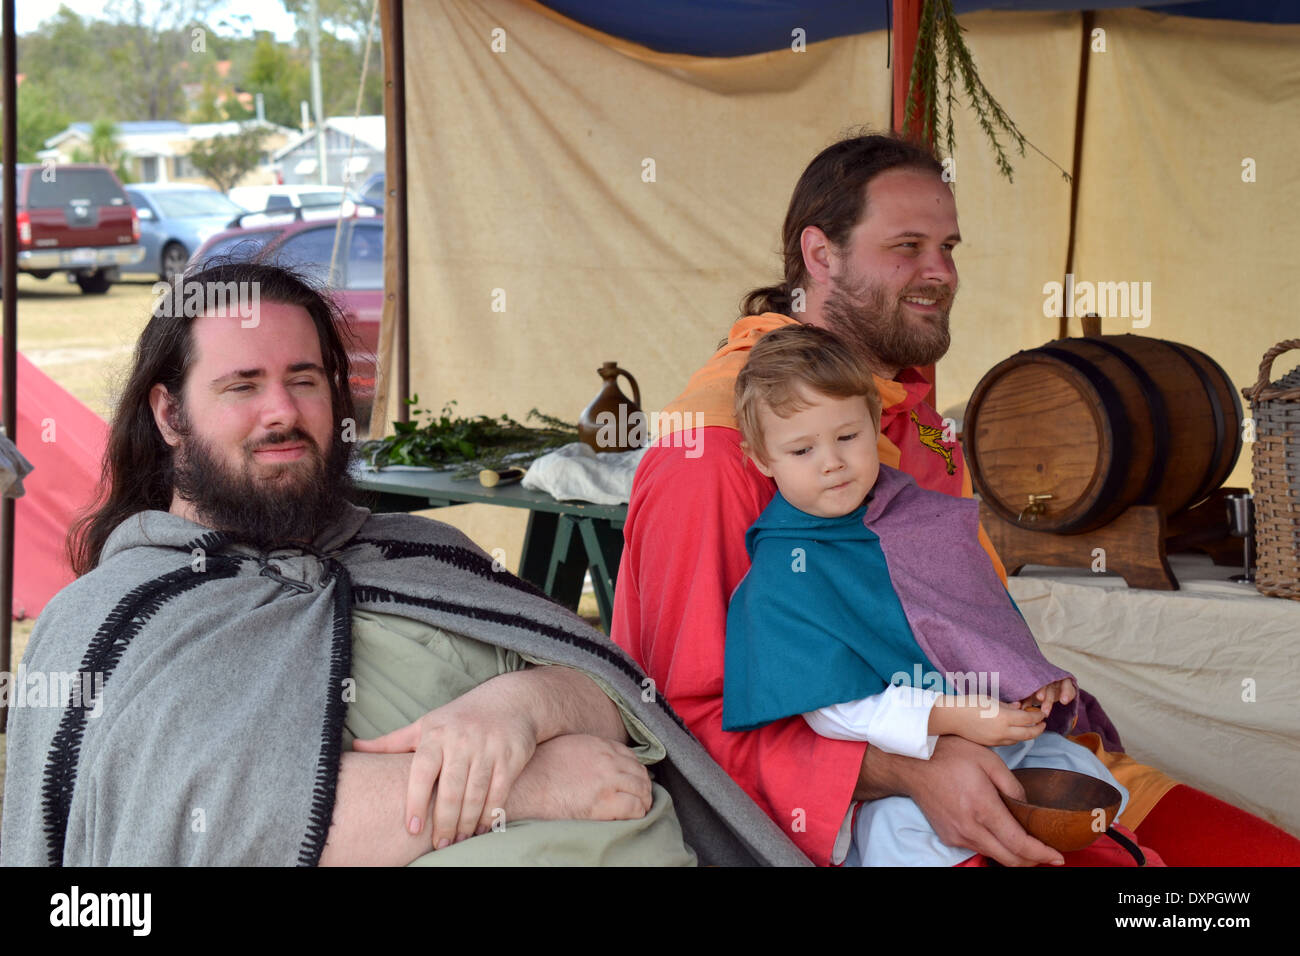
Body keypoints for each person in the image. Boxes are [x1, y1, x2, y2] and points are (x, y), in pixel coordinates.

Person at [612, 130, 1300, 867]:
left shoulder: (904, 414)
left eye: (949, 247)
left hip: (1021, 760)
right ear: (820, 256)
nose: (940, 273)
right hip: (858, 818)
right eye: (906, 246)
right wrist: (907, 769)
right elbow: (680, 721)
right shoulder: (715, 449)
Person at [0, 261, 804, 867]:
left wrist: (526, 705)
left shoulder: (422, 558)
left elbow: (616, 695)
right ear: (170, 413)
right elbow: (203, 830)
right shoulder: (119, 619)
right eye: (242, 385)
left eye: (304, 380)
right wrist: (532, 788)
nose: (283, 411)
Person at [723, 323, 1143, 866]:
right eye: (802, 449)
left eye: (848, 437)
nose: (831, 462)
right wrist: (946, 716)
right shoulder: (783, 577)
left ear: (875, 425)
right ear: (762, 460)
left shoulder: (919, 518)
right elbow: (831, 711)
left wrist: (1031, 679)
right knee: (903, 837)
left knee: (1084, 778)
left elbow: (978, 618)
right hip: (907, 769)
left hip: (999, 736)